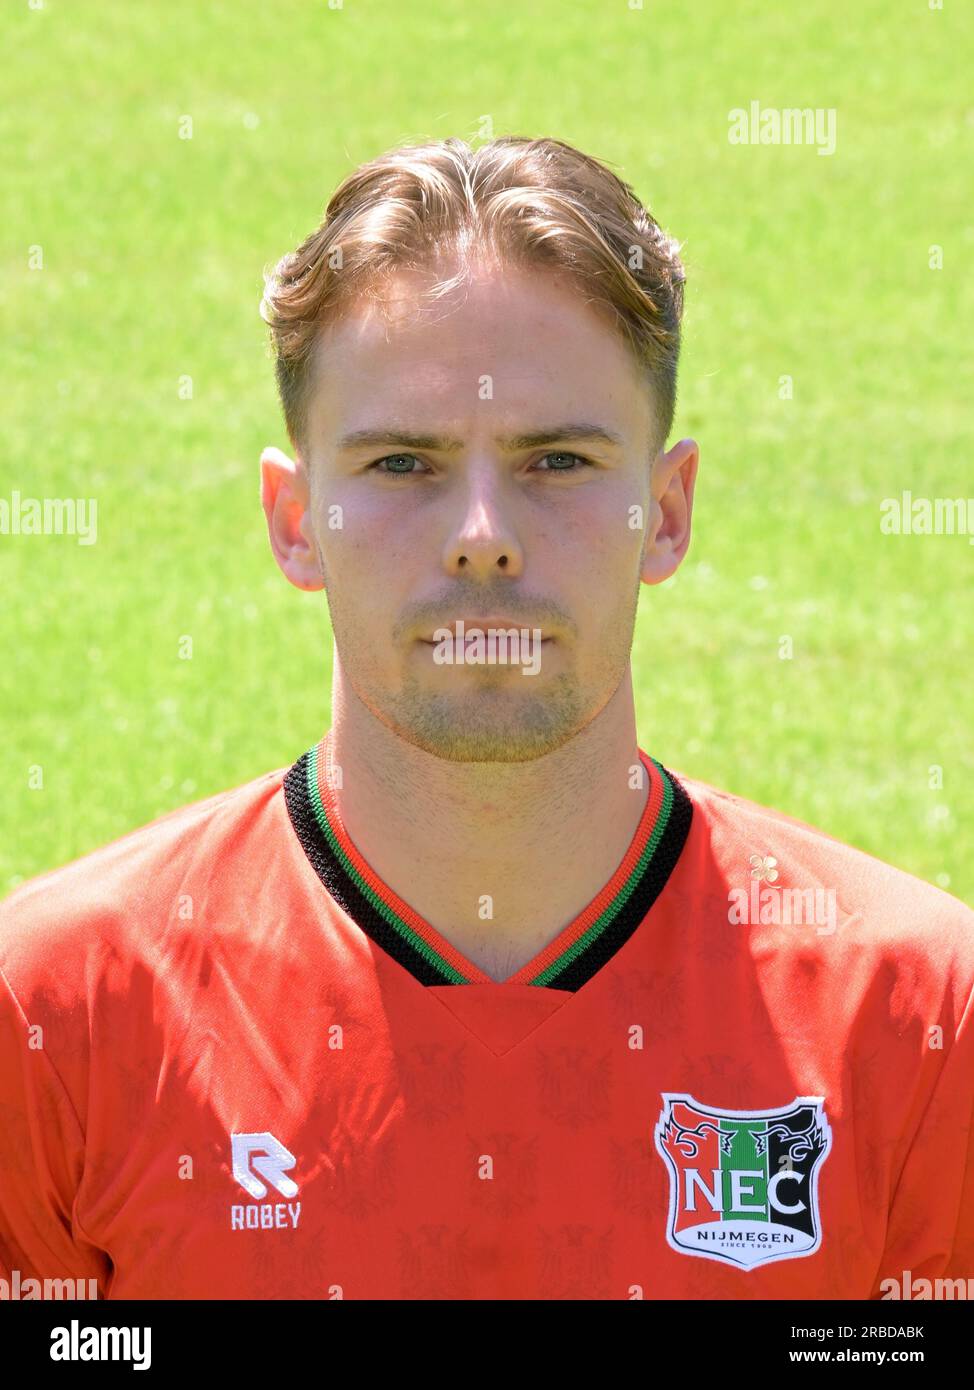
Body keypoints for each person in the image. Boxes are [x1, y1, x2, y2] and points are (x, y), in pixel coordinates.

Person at [1, 136, 971, 1301]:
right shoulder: (58, 1007)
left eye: (555, 459)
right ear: (296, 519)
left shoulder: (914, 1016)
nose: (480, 532)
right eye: (403, 463)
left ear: (663, 512)